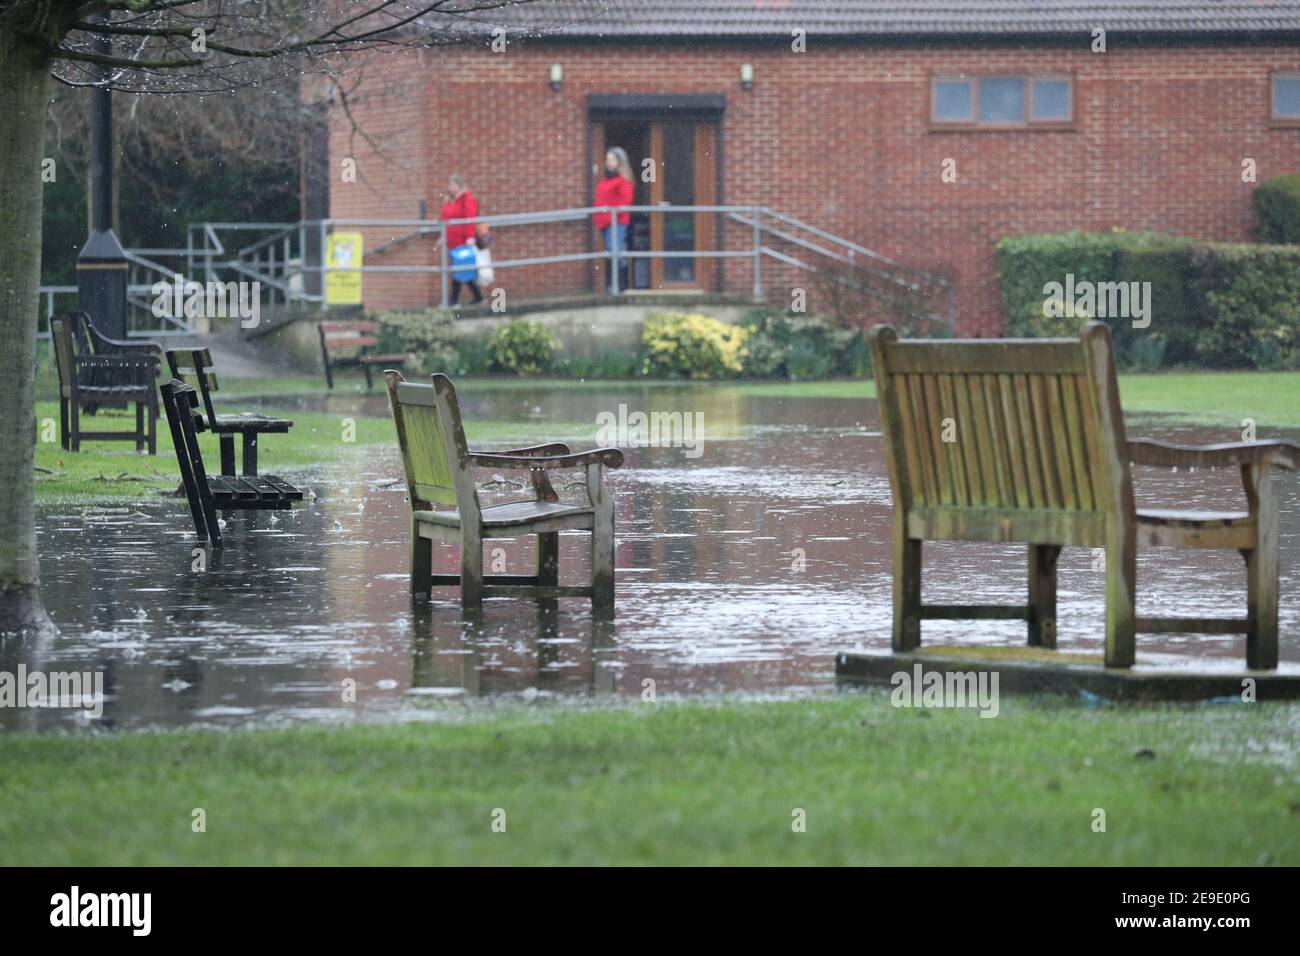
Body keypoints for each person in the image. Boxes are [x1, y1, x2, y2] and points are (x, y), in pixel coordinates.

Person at [593, 147, 634, 294]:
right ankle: (614, 285)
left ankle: (619, 285)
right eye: (607, 159)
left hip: (616, 223)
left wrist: (610, 212)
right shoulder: (605, 180)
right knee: (611, 253)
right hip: (604, 223)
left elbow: (625, 203)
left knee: (614, 252)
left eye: (612, 160)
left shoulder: (623, 181)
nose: (608, 163)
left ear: (619, 162)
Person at [440, 174, 483, 305]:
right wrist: (443, 236)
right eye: (449, 185)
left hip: (463, 241)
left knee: (458, 270)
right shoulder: (450, 201)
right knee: (462, 269)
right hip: (453, 241)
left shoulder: (466, 199)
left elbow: (470, 218)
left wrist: (470, 237)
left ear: (459, 186)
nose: (450, 188)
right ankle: (478, 297)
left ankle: (453, 301)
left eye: (453, 185)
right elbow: (445, 219)